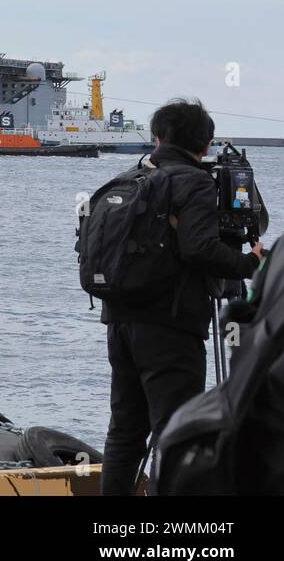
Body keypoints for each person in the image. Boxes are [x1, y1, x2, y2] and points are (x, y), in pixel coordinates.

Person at [101, 98, 263, 495]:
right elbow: (199, 249)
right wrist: (249, 263)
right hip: (169, 327)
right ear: (205, 144)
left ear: (156, 137)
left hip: (120, 321)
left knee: (125, 431)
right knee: (176, 433)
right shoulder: (194, 182)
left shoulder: (132, 177)